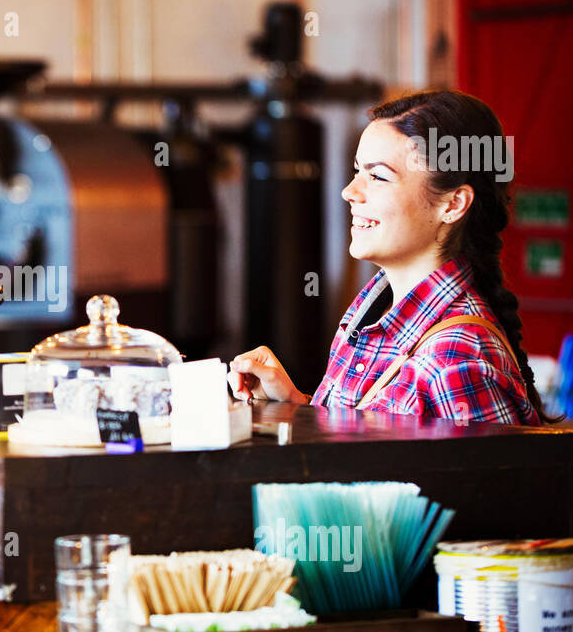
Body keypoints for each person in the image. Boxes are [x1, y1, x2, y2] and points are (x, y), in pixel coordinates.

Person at [229, 90, 556, 426]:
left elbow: (481, 481)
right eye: (357, 171)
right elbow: (365, 457)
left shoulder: (458, 361)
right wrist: (295, 404)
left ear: (453, 204)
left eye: (379, 176)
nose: (350, 192)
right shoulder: (370, 311)